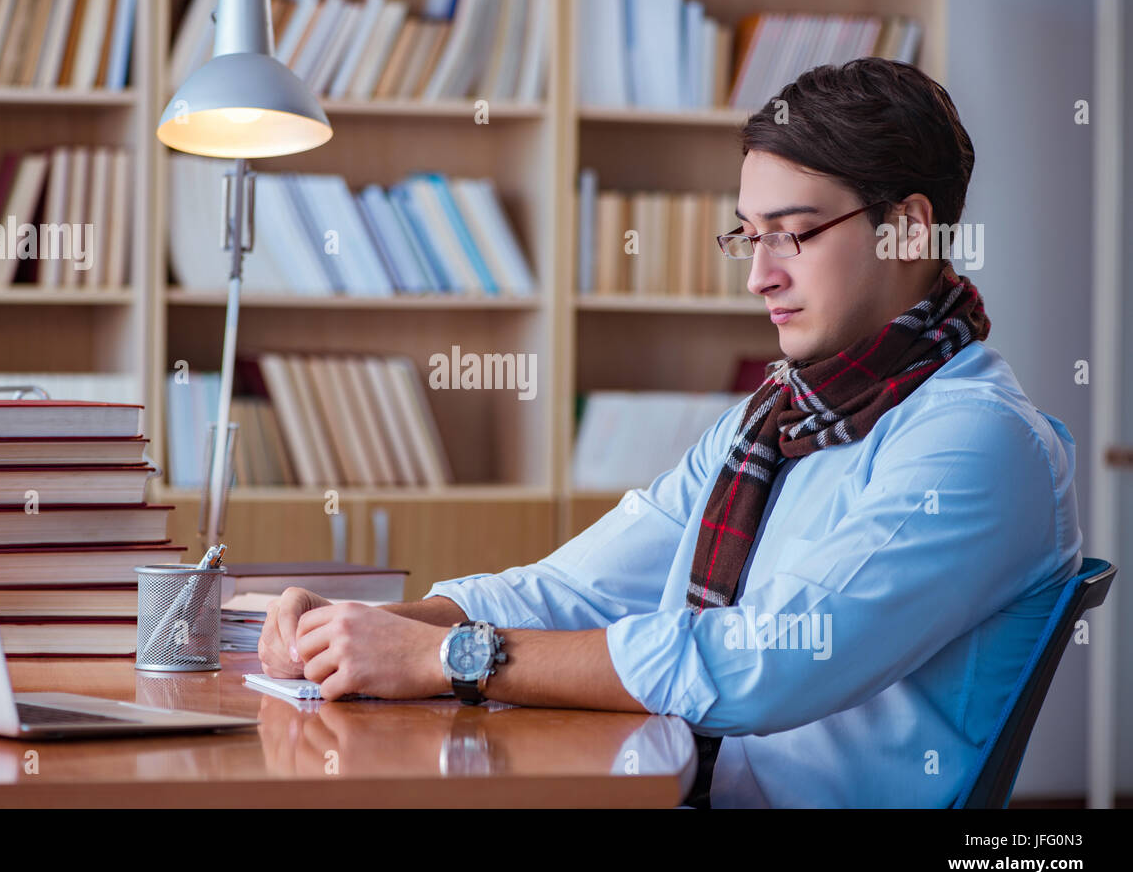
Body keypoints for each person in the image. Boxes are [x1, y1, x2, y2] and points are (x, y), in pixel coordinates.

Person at [256, 57, 1083, 807]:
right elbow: (574, 588)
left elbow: (760, 662)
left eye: (792, 232)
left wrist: (446, 660)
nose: (760, 275)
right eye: (748, 236)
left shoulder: (978, 444)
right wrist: (371, 629)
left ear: (906, 226)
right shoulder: (774, 419)